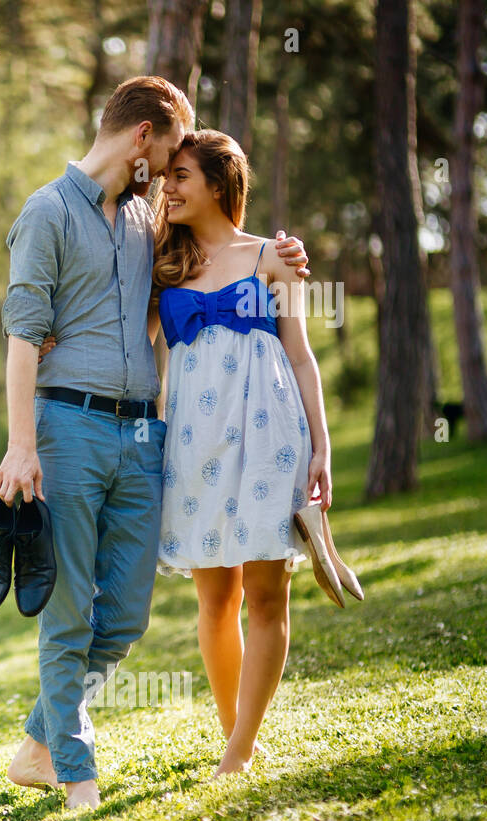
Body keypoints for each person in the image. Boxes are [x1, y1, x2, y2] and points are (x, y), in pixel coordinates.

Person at [0, 76, 311, 810]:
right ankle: (77, 779)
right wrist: (22, 444)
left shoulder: (146, 222)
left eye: (180, 170)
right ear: (144, 139)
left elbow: (219, 257)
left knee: (127, 615)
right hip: (69, 428)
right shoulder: (46, 212)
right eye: (169, 156)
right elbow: (21, 339)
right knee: (71, 610)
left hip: (142, 434)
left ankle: (40, 742)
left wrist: (274, 251)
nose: (172, 175)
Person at [152, 130, 331, 776]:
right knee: (214, 599)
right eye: (166, 177)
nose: (166, 188)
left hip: (268, 438)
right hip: (195, 443)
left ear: (220, 185)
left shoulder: (274, 257)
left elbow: (301, 357)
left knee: (265, 595)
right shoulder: (163, 263)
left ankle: (238, 750)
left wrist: (322, 448)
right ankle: (237, 735)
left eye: (179, 176)